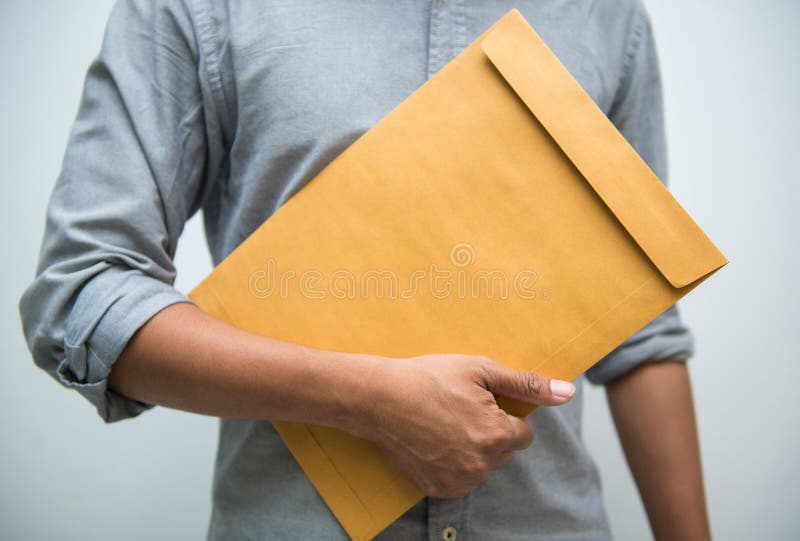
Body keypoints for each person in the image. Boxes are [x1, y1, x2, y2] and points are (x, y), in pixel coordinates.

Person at [19, 1, 712, 539]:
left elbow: (641, 329)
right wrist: (367, 399)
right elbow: (83, 292)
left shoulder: (605, 17)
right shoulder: (203, 8)